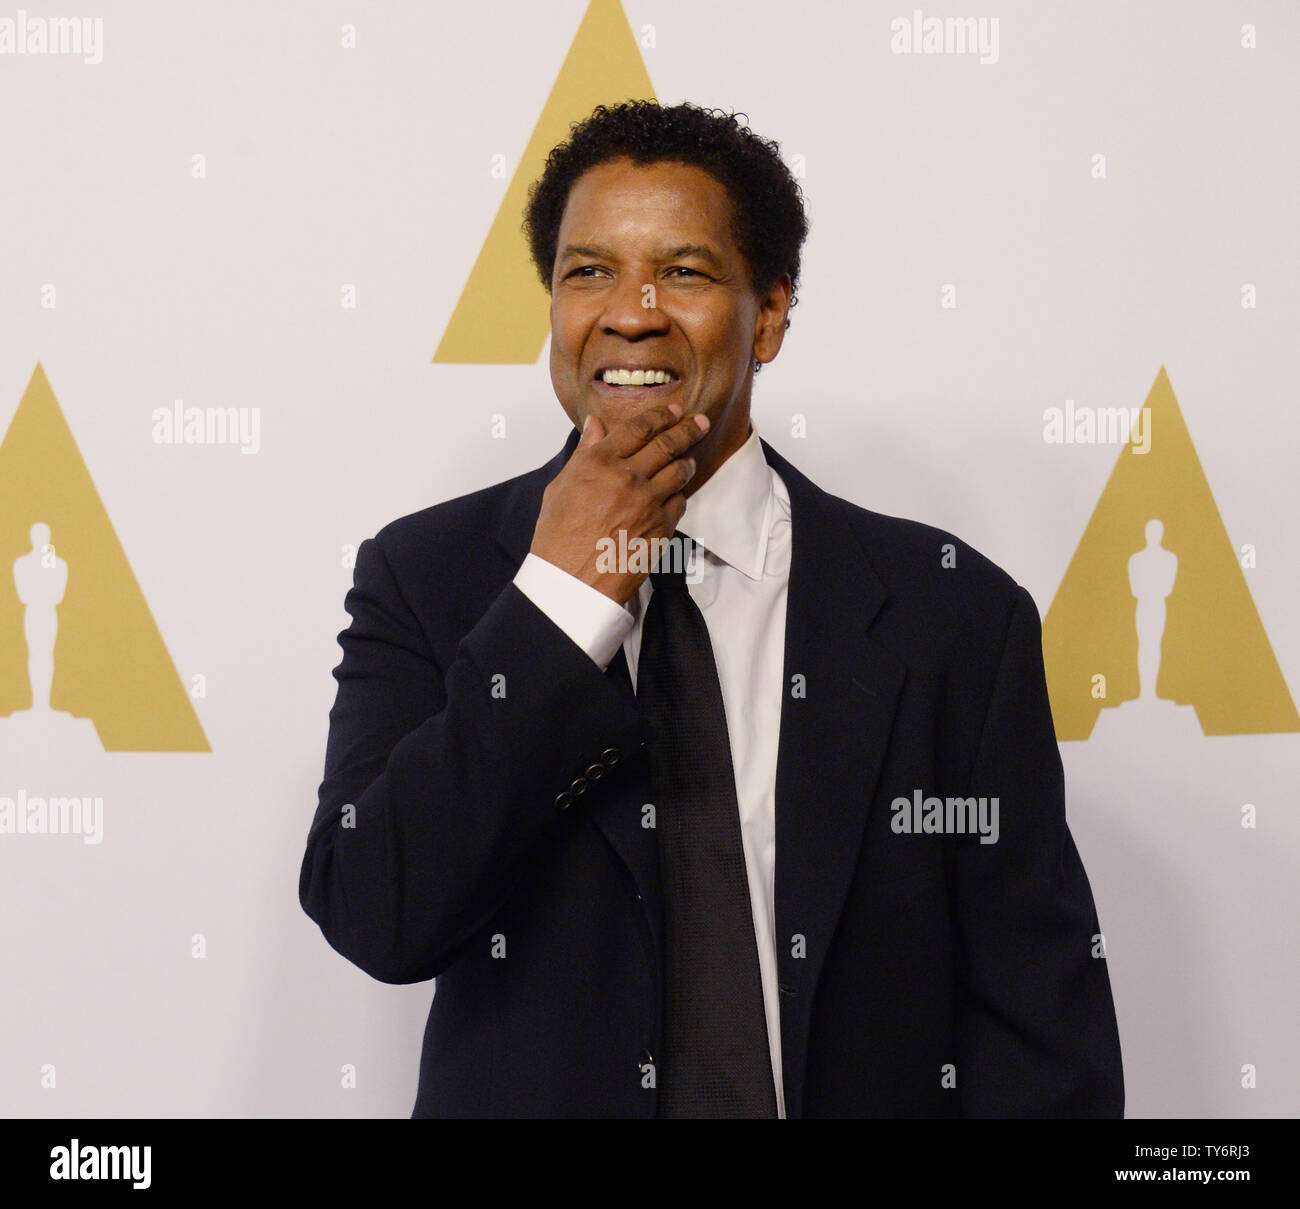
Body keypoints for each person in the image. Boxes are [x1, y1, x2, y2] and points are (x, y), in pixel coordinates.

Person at [298, 100, 1123, 1118]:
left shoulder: (951, 612)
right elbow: (379, 914)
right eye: (586, 271)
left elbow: (1038, 1025)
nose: (629, 310)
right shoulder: (425, 575)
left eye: (681, 272)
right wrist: (557, 599)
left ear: (769, 312)